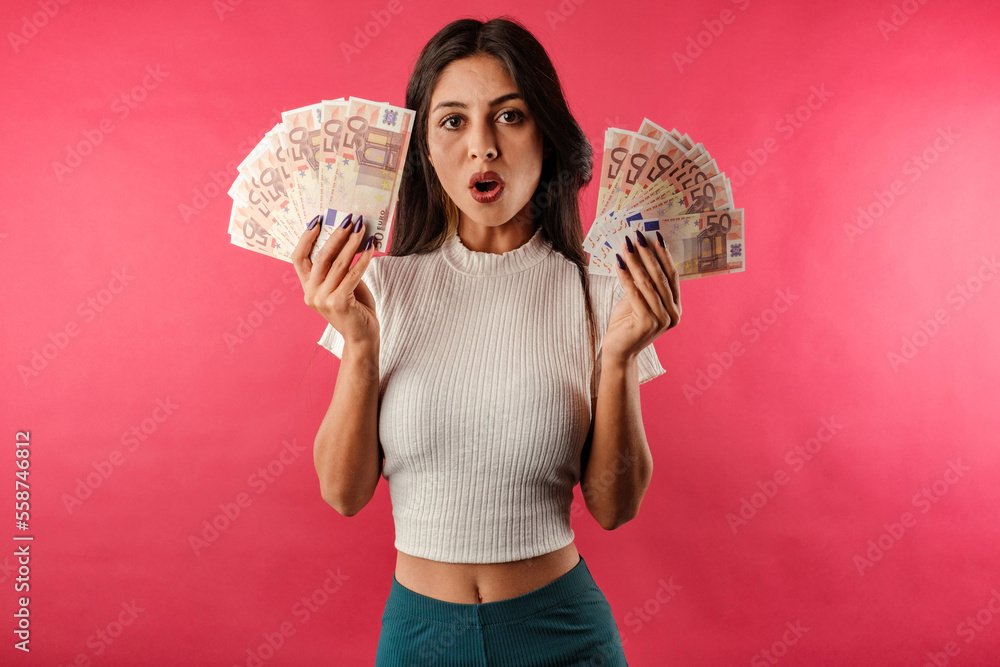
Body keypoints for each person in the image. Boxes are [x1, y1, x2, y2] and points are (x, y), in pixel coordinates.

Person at [291, 16, 680, 666]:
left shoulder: (601, 295)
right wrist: (360, 343)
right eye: (452, 121)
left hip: (562, 632)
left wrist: (618, 358)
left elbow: (615, 507)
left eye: (509, 116)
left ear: (546, 135)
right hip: (419, 637)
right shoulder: (377, 288)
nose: (483, 146)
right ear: (422, 149)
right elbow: (342, 492)